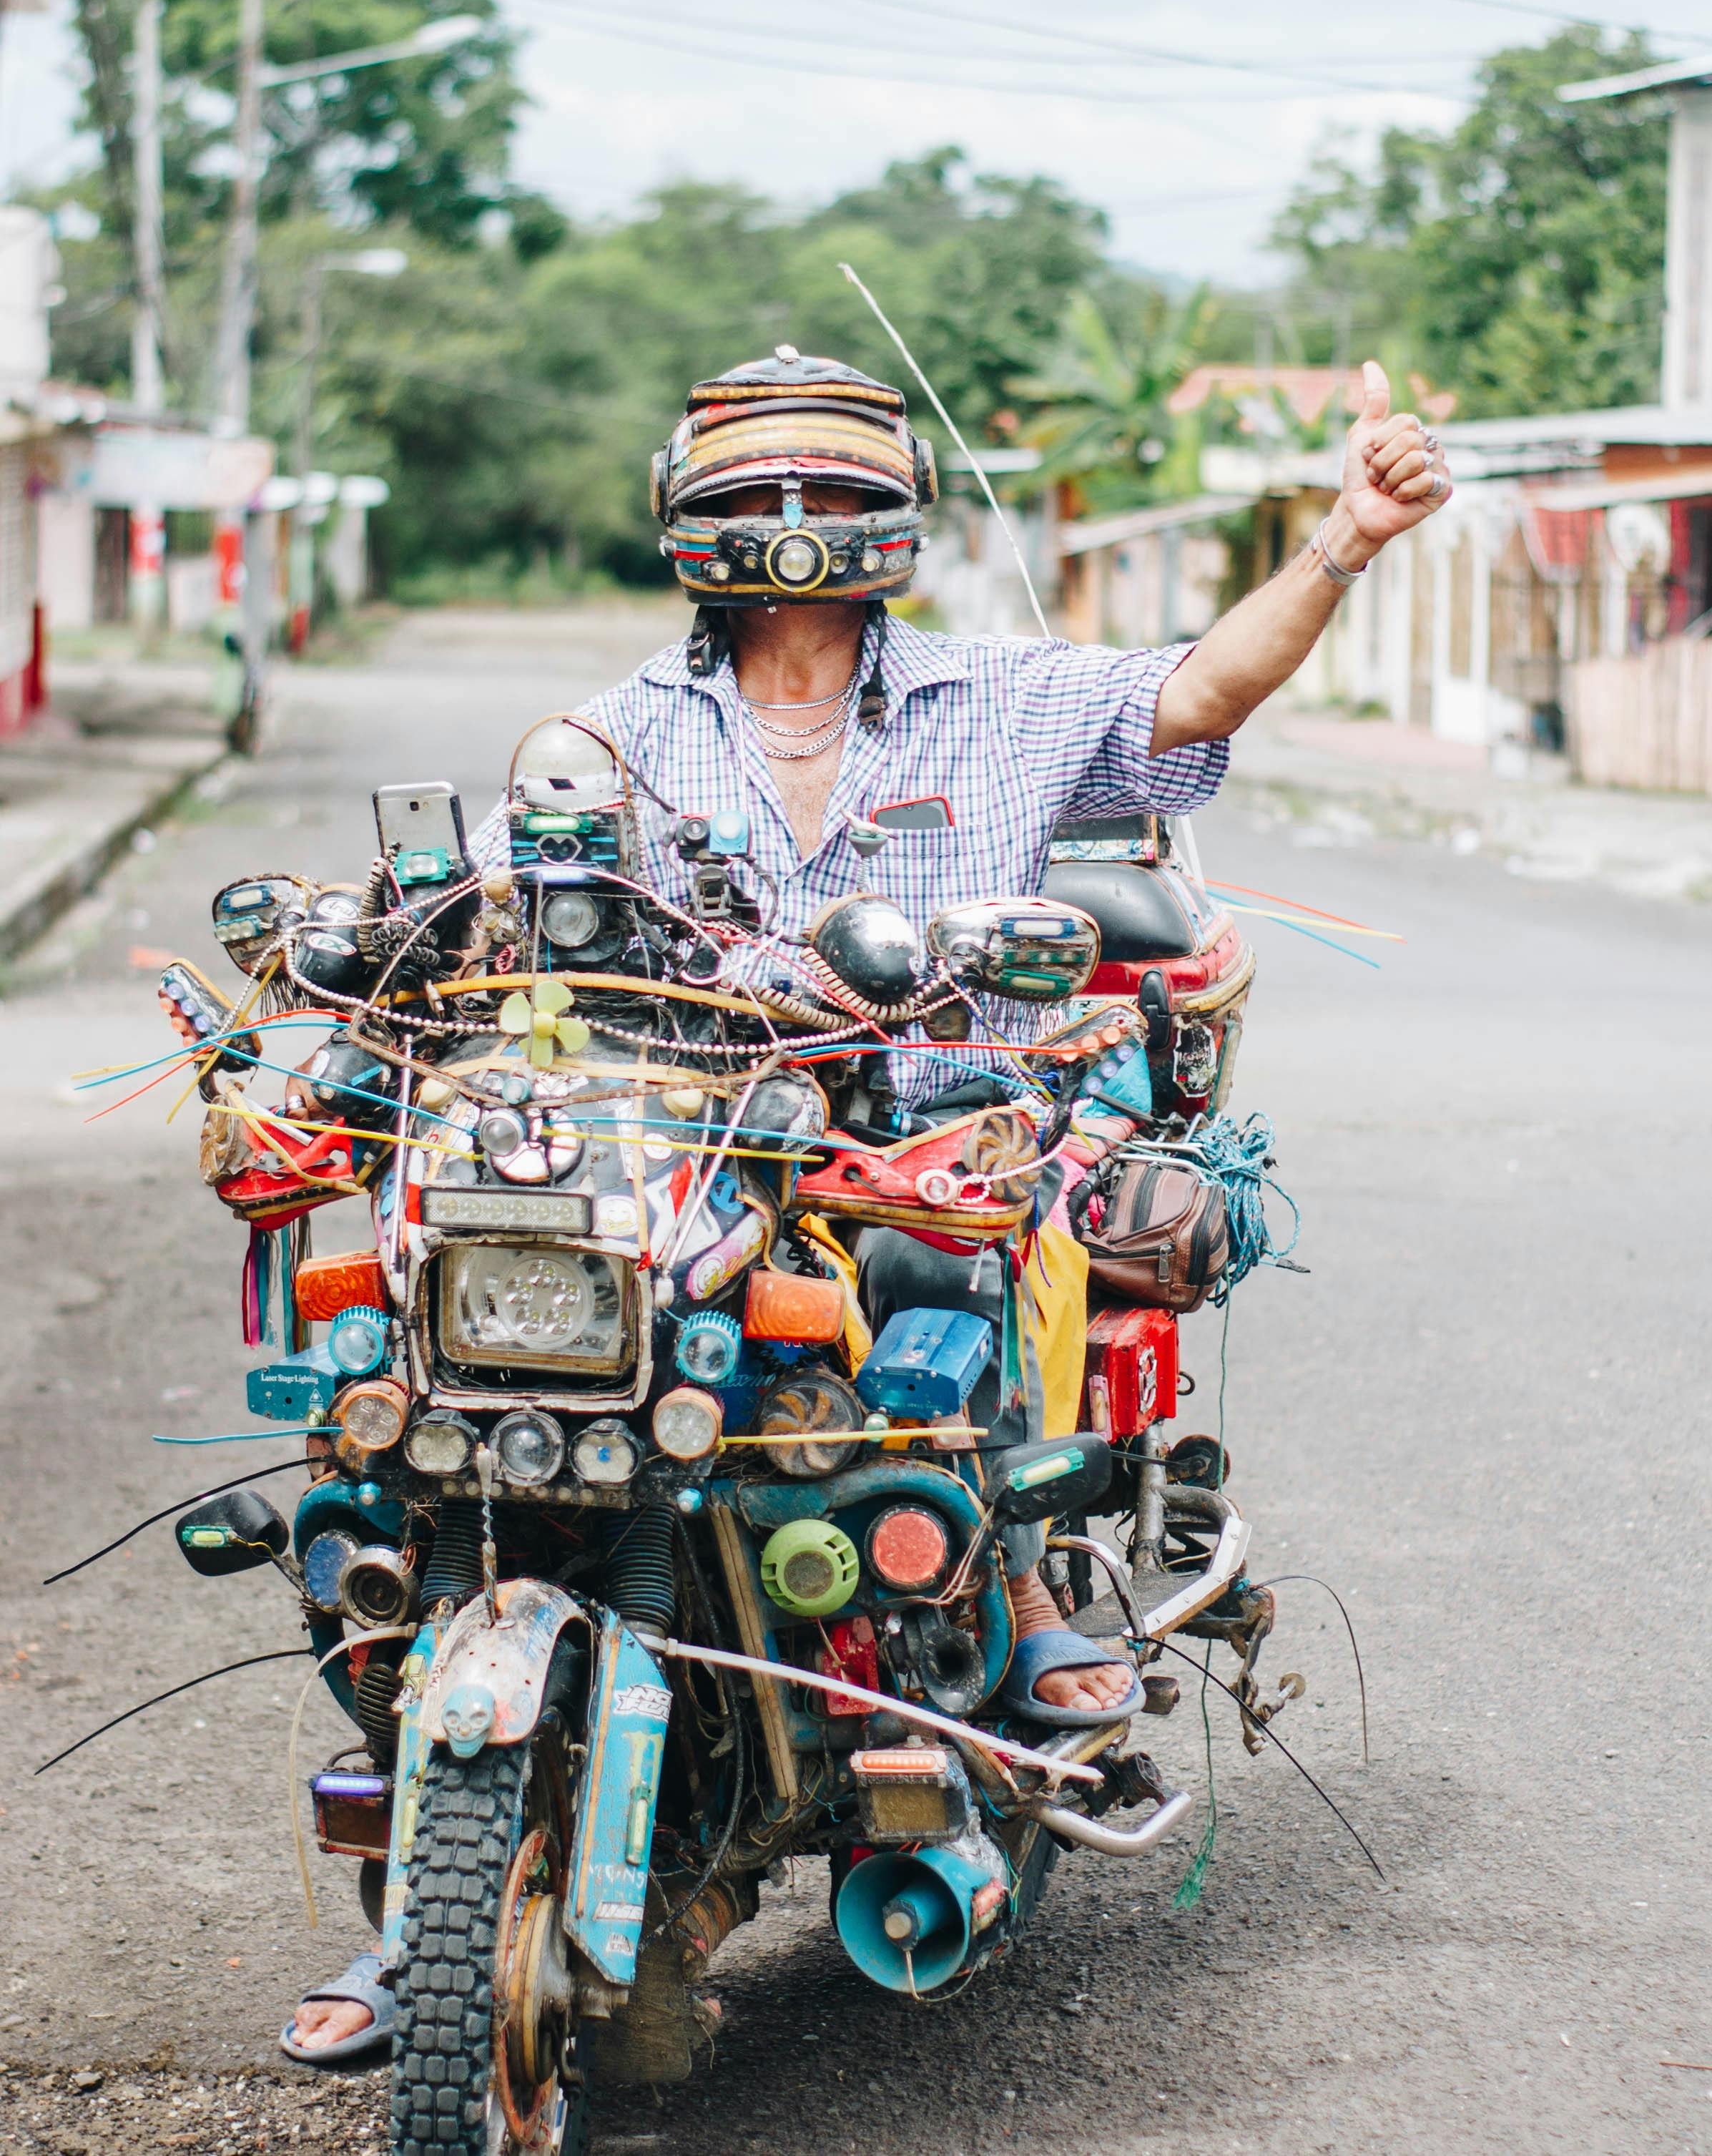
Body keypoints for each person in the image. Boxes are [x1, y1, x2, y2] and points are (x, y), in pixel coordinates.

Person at [285, 339, 1450, 2062]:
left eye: (833, 489)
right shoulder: (601, 734)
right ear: (683, 516)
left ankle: (1031, 1576)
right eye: (754, 491)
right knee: (397, 1387)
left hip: (941, 1132)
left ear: (892, 510)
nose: (795, 523)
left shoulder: (1013, 699)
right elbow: (521, 928)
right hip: (698, 1142)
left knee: (941, 1273)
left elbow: (1198, 694)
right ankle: (431, 1866)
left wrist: (1344, 538)